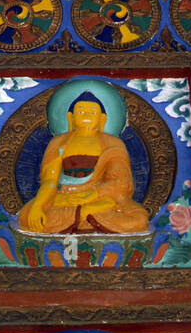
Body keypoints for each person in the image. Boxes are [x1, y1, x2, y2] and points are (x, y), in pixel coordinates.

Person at [17, 91, 149, 235]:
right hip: (66, 197)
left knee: (139, 219)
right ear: (71, 117)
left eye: (92, 112)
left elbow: (120, 182)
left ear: (102, 119)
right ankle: (86, 214)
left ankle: (81, 216)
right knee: (26, 215)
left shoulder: (113, 144)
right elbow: (50, 181)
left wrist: (92, 195)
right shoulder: (58, 143)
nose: (86, 114)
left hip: (101, 197)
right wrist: (37, 207)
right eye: (81, 111)